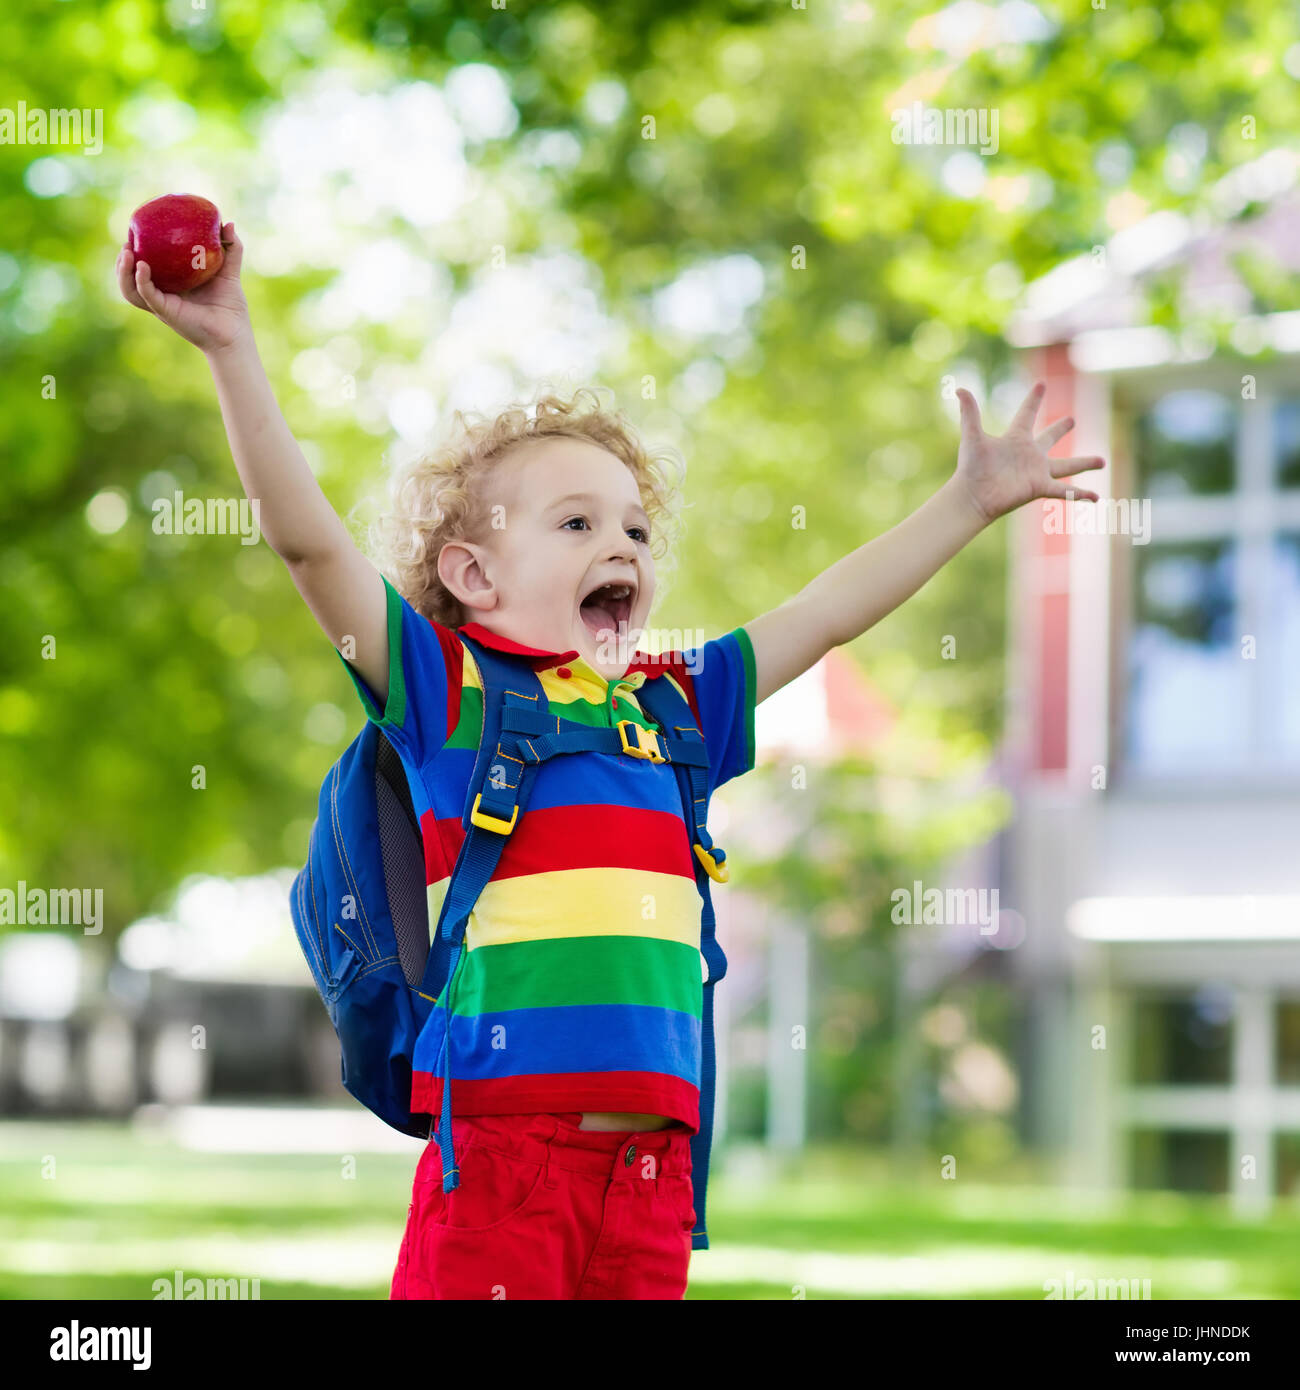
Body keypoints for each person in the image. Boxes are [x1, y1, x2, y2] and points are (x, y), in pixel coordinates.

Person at [117, 223, 1103, 1299]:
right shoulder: (453, 696)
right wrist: (230, 349)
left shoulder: (677, 707)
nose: (623, 546)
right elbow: (308, 543)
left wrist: (965, 503)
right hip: (504, 1162)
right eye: (577, 521)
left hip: (652, 1174)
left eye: (635, 529)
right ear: (472, 572)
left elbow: (821, 615)